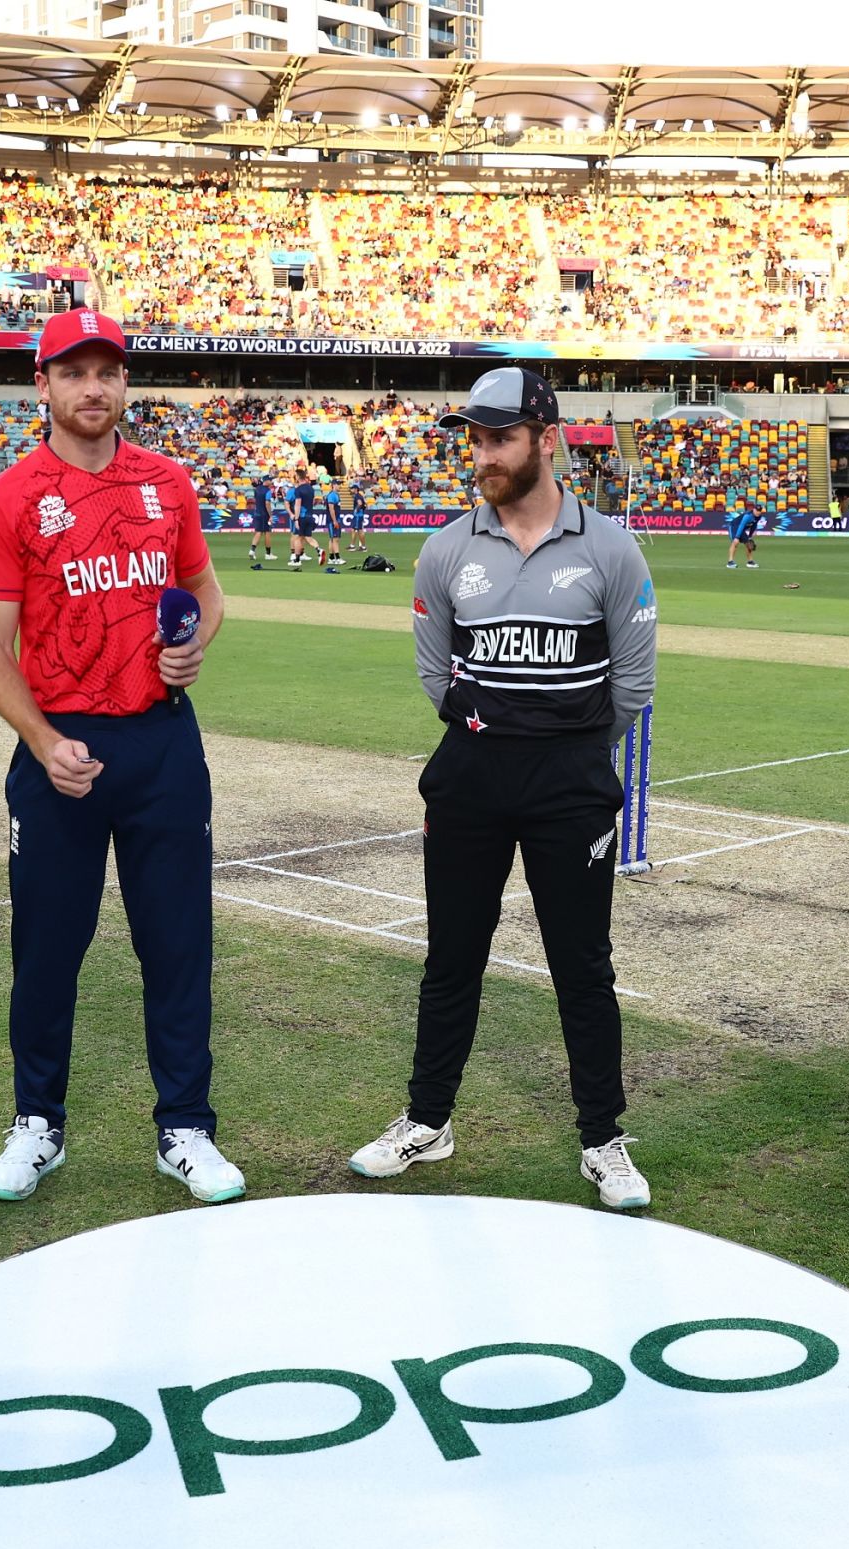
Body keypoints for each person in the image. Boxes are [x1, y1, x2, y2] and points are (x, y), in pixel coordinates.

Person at [348, 367, 656, 1209]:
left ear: (545, 439)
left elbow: (630, 686)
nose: (481, 455)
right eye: (474, 439)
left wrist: (562, 748)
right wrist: (499, 735)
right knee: (451, 958)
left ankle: (603, 1140)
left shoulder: (610, 548)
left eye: (498, 438)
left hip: (570, 786)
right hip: (470, 782)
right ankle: (428, 1120)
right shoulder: (448, 548)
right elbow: (433, 671)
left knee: (582, 968)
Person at [0, 308, 244, 1206]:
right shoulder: (11, 496)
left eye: (108, 371)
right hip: (59, 747)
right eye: (74, 372)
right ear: (41, 386)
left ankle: (186, 1130)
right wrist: (44, 744)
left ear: (125, 384)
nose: (94, 387)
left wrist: (193, 641)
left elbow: (203, 589)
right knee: (47, 949)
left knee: (178, 946)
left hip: (161, 742)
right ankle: (36, 1124)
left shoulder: (168, 481)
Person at [288, 464, 324, 568]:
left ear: (298, 477)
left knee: (298, 538)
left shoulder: (298, 490)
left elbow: (298, 505)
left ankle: (297, 560)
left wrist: (296, 519)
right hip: (310, 515)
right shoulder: (310, 488)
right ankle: (319, 550)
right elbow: (312, 502)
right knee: (308, 537)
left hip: (302, 517)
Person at [726, 499, 763, 570]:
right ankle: (730, 562)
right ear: (754, 509)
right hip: (734, 526)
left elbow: (754, 525)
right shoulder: (748, 516)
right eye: (757, 510)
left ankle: (750, 562)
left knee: (748, 544)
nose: (758, 512)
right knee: (735, 543)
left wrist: (750, 537)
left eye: (759, 511)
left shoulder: (759, 516)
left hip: (741, 528)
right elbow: (741, 525)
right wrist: (737, 537)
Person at [248, 472, 275, 565]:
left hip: (257, 513)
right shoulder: (267, 491)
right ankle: (268, 554)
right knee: (267, 533)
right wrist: (270, 515)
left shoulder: (257, 489)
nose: (271, 482)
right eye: (270, 481)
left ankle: (252, 550)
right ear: (266, 481)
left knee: (258, 532)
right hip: (264, 514)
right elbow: (267, 503)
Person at [324, 475, 344, 566]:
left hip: (335, 520)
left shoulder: (335, 495)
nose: (339, 486)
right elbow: (331, 509)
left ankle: (331, 557)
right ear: (333, 485)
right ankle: (337, 558)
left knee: (332, 539)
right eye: (338, 484)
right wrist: (335, 521)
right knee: (335, 539)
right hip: (333, 521)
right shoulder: (332, 495)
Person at [348, 481, 368, 552]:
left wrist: (356, 510)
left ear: (356, 489)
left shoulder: (357, 496)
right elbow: (365, 504)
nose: (351, 490)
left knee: (359, 531)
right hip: (359, 515)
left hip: (358, 516)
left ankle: (363, 547)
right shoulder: (359, 495)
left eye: (352, 488)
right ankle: (353, 545)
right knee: (354, 530)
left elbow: (360, 503)